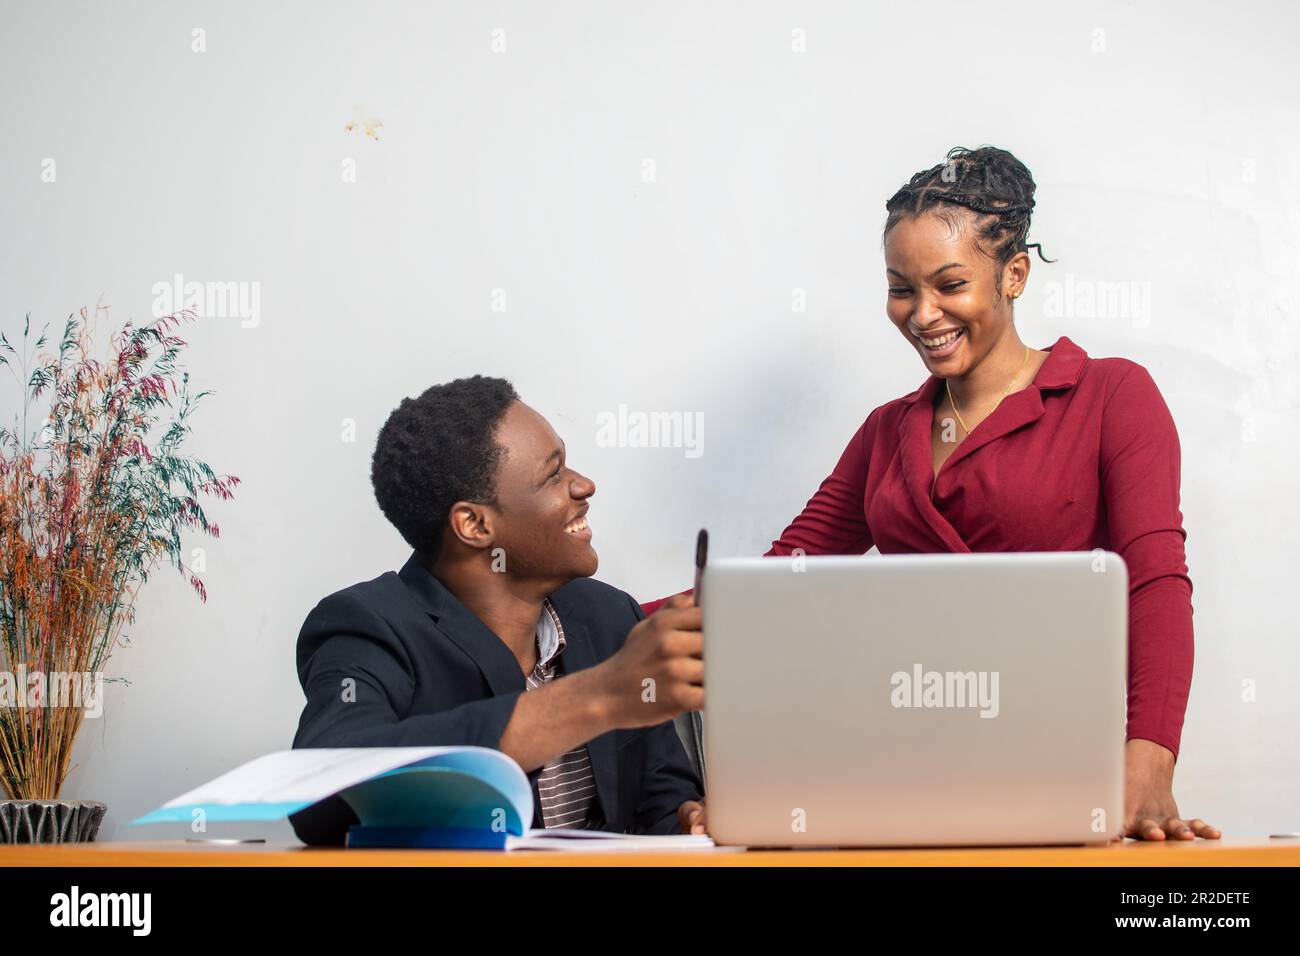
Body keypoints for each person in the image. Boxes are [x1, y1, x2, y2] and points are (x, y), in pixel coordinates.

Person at [646, 145, 1219, 843]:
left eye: (949, 285)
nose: (923, 314)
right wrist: (590, 614)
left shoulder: (1111, 396)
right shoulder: (888, 431)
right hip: (895, 759)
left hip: (1055, 761)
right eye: (901, 289)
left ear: (1013, 276)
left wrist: (1149, 762)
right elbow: (772, 589)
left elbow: (1156, 583)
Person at [290, 376, 705, 844]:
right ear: (474, 524)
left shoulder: (609, 615)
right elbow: (320, 789)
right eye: (554, 475)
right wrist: (599, 696)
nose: (584, 485)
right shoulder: (367, 628)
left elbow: (662, 796)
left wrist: (687, 819)